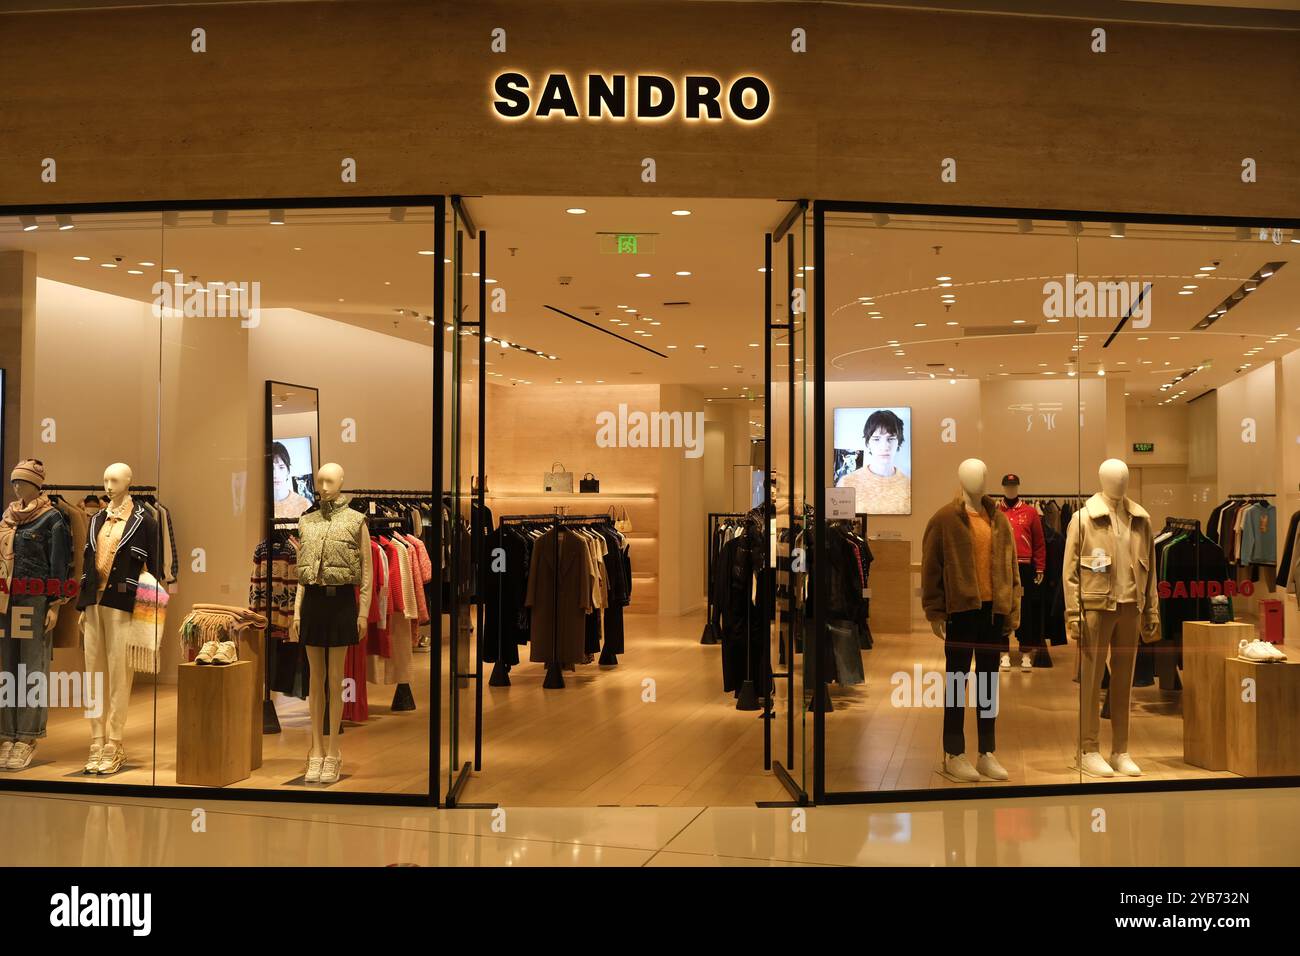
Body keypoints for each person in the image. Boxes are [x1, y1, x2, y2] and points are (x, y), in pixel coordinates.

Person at [836, 409, 910, 514]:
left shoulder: (908, 485)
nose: (884, 447)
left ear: (899, 442)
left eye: (891, 439)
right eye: (876, 439)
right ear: (867, 444)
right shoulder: (846, 483)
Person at [271, 441, 312, 518]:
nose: (275, 474)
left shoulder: (304, 504)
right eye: (271, 468)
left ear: (288, 471)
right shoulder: (257, 505)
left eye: (281, 467)